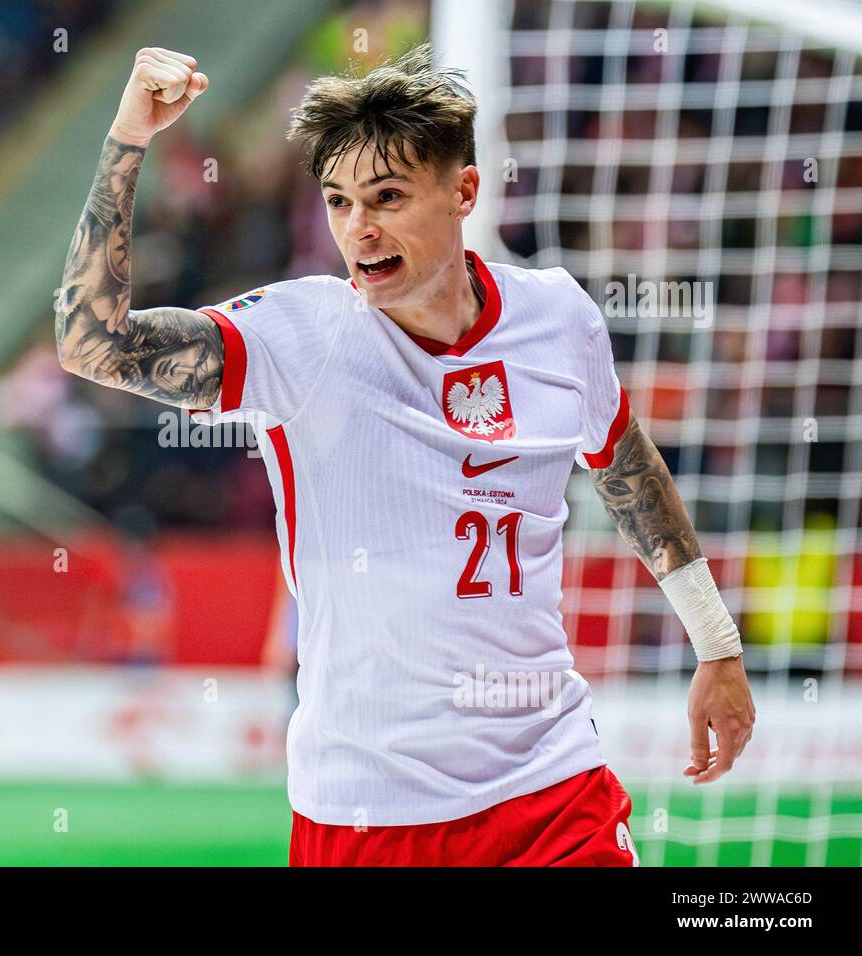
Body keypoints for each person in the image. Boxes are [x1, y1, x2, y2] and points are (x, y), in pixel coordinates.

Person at [53, 43, 756, 866]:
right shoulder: (299, 333)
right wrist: (128, 136)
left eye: (387, 197)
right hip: (367, 808)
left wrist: (716, 642)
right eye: (339, 201)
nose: (359, 228)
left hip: (551, 784)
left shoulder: (558, 317)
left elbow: (623, 462)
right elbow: (91, 346)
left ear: (464, 192)